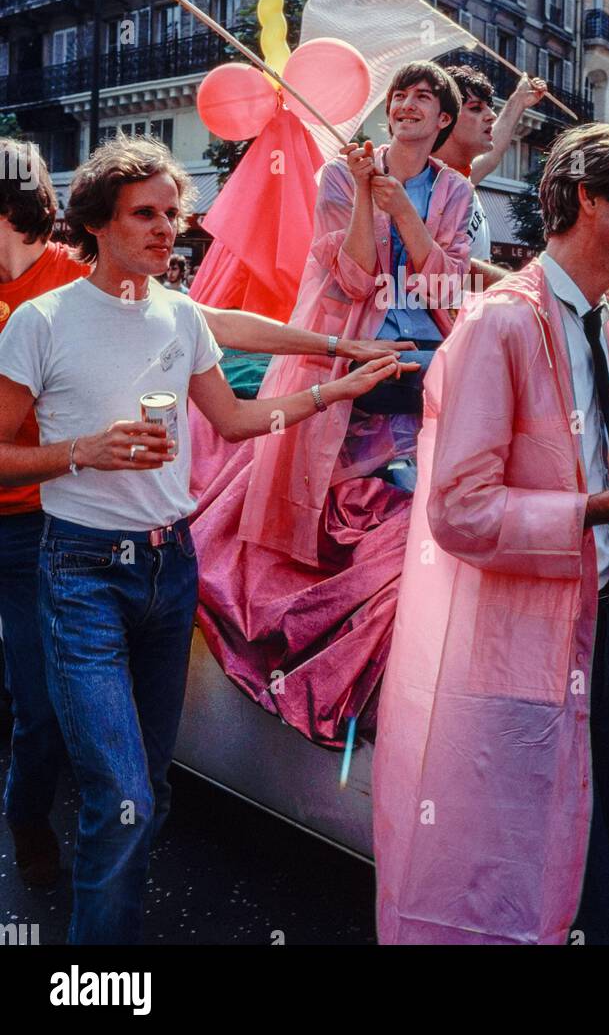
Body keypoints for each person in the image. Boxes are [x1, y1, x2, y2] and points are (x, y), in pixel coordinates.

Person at [0, 134, 398, 945]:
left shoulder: (180, 315)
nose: (166, 229)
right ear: (99, 223)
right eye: (145, 215)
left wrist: (334, 389)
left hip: (168, 567)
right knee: (124, 796)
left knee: (152, 787)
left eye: (173, 214)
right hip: (79, 570)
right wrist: (81, 450)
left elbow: (237, 419)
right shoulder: (40, 321)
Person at [373, 121, 609, 946]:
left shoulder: (606, 331)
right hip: (531, 649)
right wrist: (595, 511)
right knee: (552, 884)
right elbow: (459, 509)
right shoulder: (501, 324)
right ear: (589, 199)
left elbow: (607, 481)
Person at [189, 61, 475, 744]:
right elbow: (348, 279)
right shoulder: (339, 174)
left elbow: (447, 292)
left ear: (442, 121)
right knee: (321, 495)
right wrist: (371, 204)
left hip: (421, 368)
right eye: (398, 95)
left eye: (423, 98)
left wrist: (403, 210)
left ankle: (384, 658)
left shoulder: (457, 189)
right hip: (343, 353)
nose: (406, 105)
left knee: (403, 503)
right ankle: (300, 633)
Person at [0, 140, 90, 886]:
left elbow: (193, 320)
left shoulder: (75, 284)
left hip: (33, 522)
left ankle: (27, 817)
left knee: (43, 702)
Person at [436, 64, 546, 279]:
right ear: (444, 118)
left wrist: (518, 101)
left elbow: (492, 156)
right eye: (476, 108)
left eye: (489, 107)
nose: (491, 116)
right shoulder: (425, 183)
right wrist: (519, 287)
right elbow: (449, 270)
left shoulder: (460, 177)